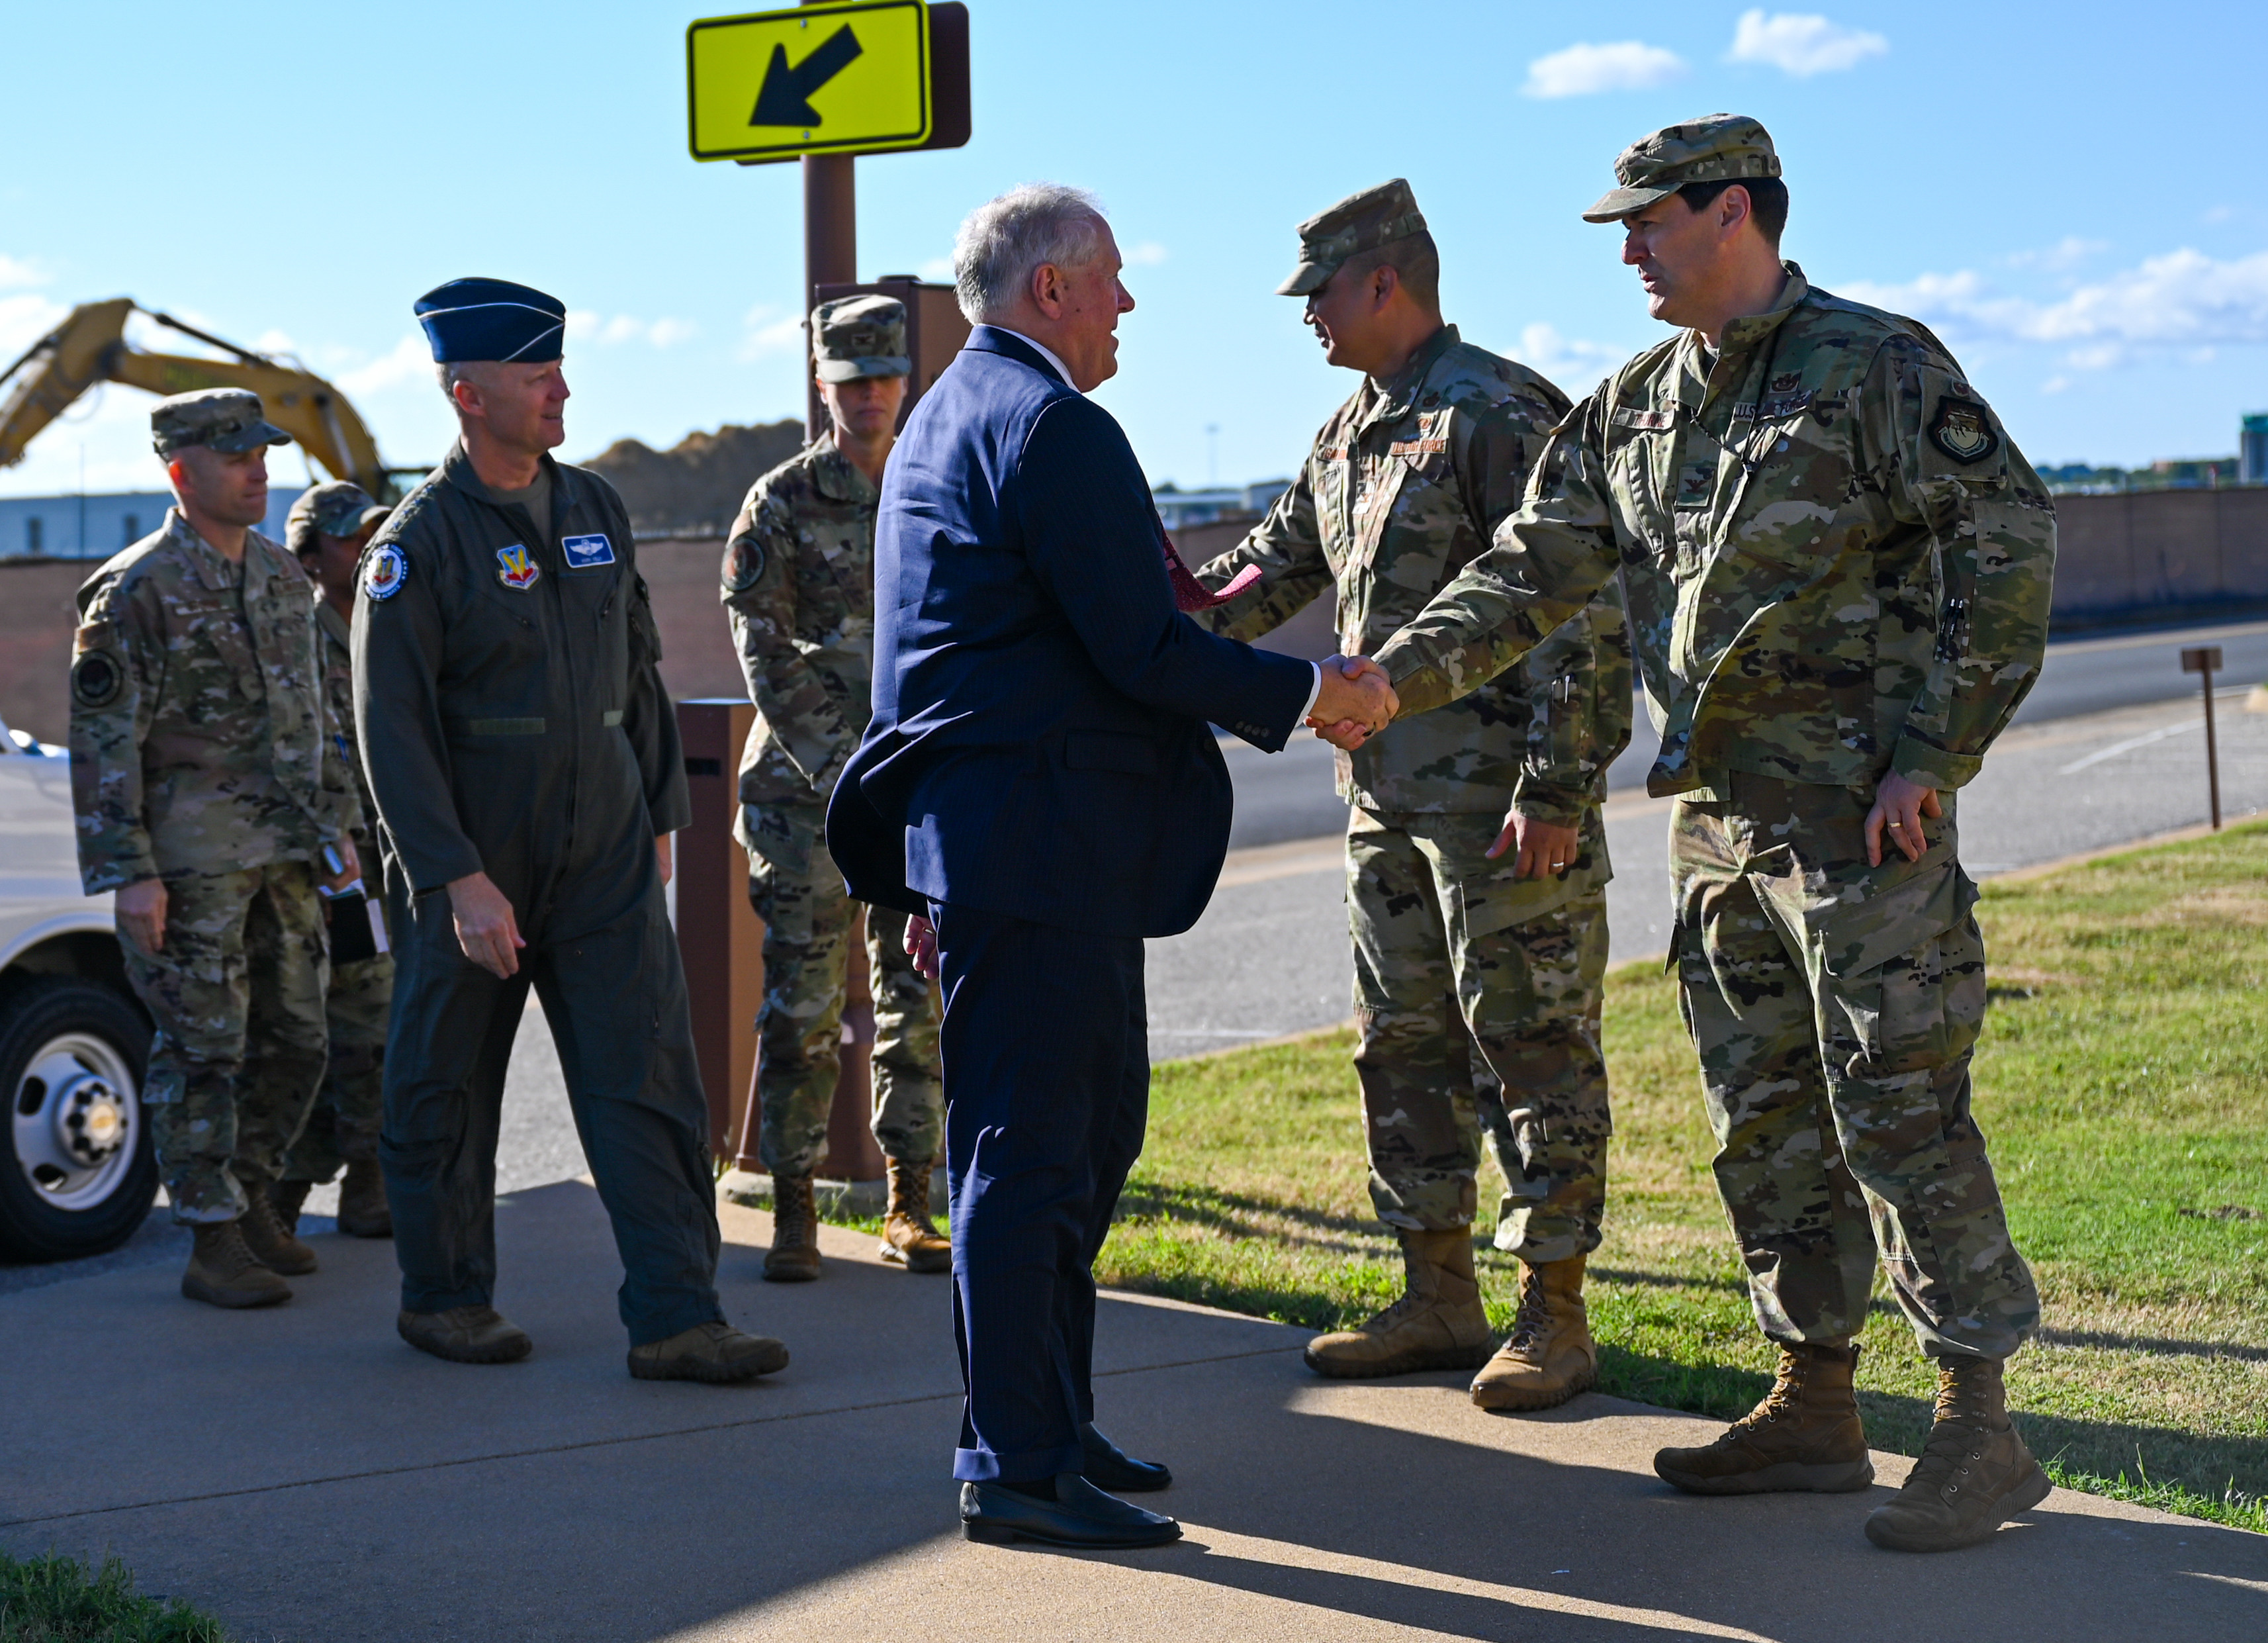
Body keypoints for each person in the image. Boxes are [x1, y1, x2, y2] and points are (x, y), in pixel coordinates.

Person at [1363, 116, 2055, 1554]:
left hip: (1864, 825)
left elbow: (2005, 540)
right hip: (1723, 832)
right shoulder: (1632, 405)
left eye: (1645, 223)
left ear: (1730, 208)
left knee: (1900, 1113)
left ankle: (1980, 1425)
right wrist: (1390, 681)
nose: (1626, 251)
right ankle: (1813, 1398)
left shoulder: (1875, 366)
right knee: (1765, 1124)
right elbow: (1528, 570)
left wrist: (1934, 751)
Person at [826, 185, 1396, 1549]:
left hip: (1009, 848)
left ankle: (1049, 1419)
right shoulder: (1053, 425)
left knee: (1072, 1147)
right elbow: (1140, 645)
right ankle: (1016, 1461)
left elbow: (929, 660)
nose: (1130, 305)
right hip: (1039, 848)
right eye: (1115, 279)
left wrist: (931, 866)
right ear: (1052, 293)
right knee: (1032, 1156)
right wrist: (1318, 686)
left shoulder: (946, 418)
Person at [1193, 181, 1630, 1407]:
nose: (1307, 318)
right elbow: (1266, 574)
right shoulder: (1347, 432)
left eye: (1319, 292)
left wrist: (1557, 784)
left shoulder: (1495, 411)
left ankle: (1556, 1310)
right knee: (1402, 1044)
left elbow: (1579, 605)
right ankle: (1437, 1290)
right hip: (1383, 799)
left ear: (1383, 281)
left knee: (1530, 1045)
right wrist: (1154, 605)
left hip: (1503, 808)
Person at [353, 277, 787, 1384]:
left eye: (556, 369)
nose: (561, 390)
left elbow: (635, 678)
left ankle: (679, 1314)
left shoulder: (594, 506)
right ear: (468, 394)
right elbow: (389, 727)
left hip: (603, 849)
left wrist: (656, 823)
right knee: (443, 1087)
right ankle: (446, 1299)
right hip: (476, 859)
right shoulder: (417, 544)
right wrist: (456, 878)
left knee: (647, 1077)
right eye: (536, 375)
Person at [69, 389, 363, 1307]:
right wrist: (130, 873)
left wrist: (336, 823)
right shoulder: (134, 590)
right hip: (190, 861)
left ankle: (252, 1201)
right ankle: (209, 1235)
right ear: (179, 471)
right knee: (204, 1047)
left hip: (285, 849)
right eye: (236, 457)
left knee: (299, 1037)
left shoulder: (282, 577)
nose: (258, 470)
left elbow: (317, 717)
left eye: (262, 454)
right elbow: (104, 741)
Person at [721, 295, 948, 1283]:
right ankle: (795, 1210)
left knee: (915, 995)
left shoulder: (934, 484)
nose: (869, 398)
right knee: (801, 1008)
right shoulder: (780, 501)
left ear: (907, 380)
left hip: (910, 792)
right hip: (806, 792)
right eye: (849, 383)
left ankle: (907, 1202)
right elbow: (762, 649)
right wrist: (847, 761)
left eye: (883, 379)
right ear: (822, 385)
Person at [277, 481, 396, 1240]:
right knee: (322, 1032)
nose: (367, 549)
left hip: (394, 863)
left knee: (380, 1026)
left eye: (374, 534)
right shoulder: (294, 634)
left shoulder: (390, 624)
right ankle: (284, 1195)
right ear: (314, 554)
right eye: (353, 538)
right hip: (329, 867)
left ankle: (369, 1183)